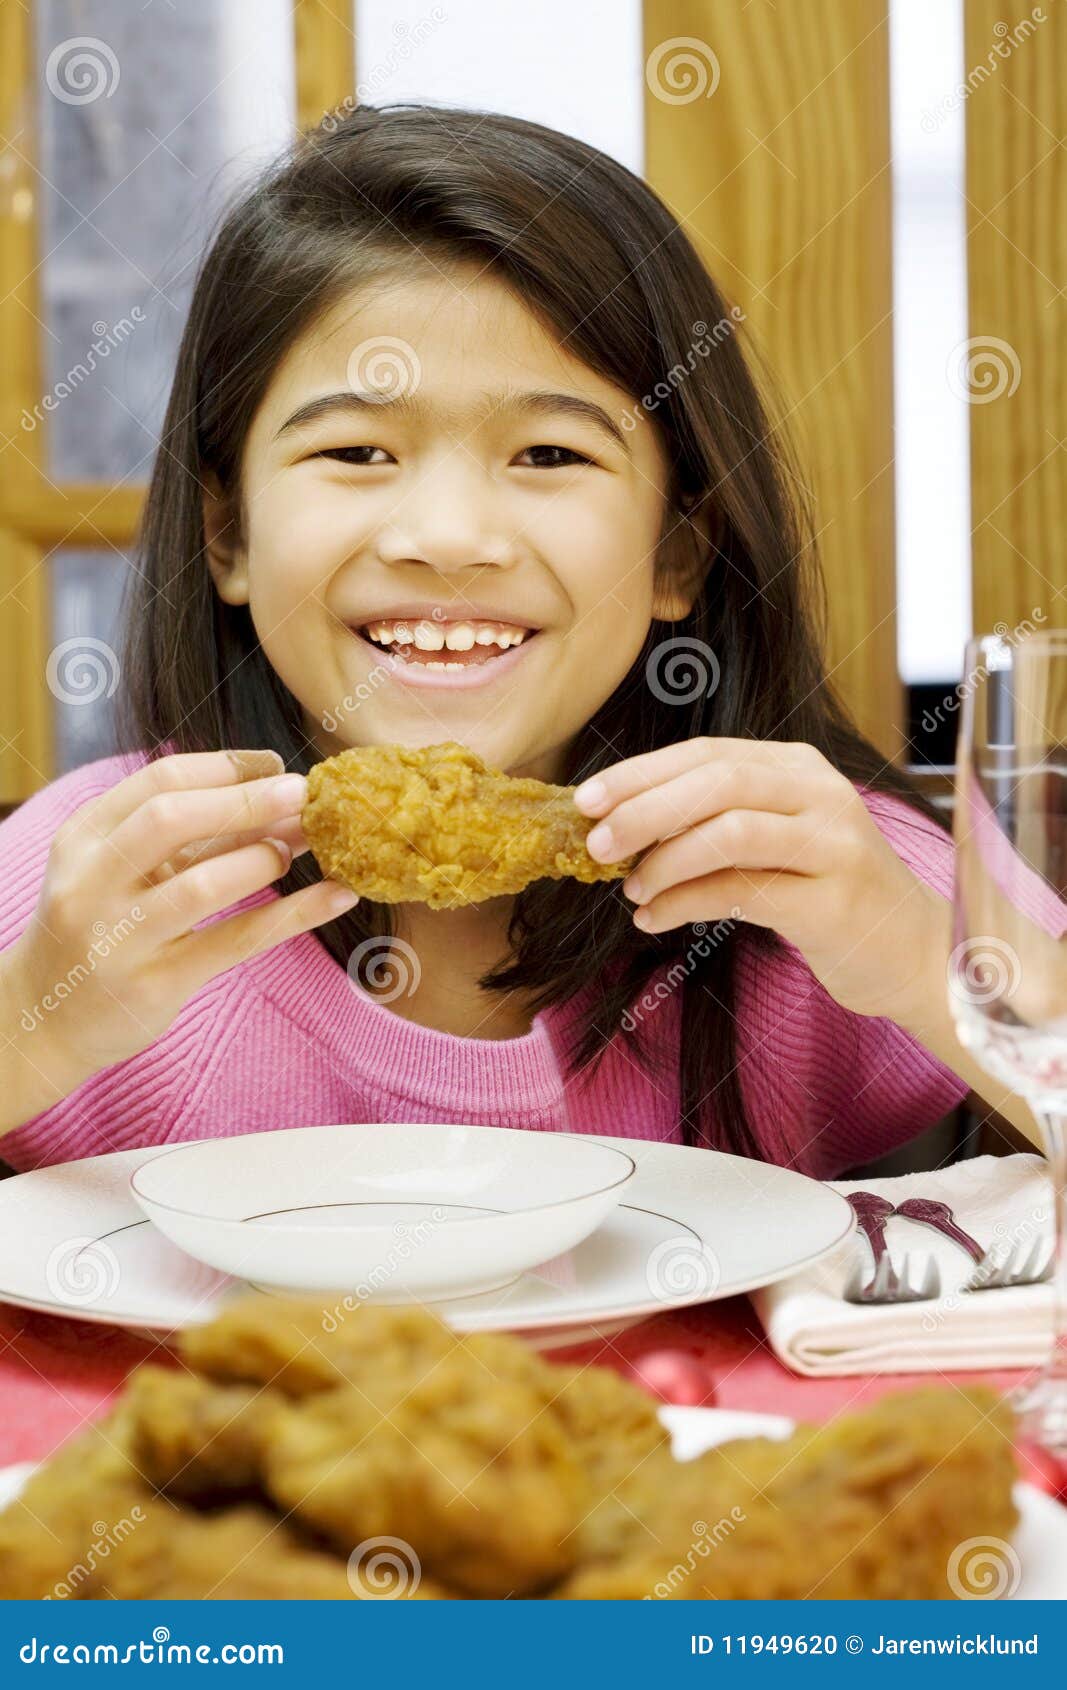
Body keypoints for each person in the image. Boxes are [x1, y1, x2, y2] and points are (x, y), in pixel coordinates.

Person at [0, 103, 1032, 1174]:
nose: (449, 539)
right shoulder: (85, 883)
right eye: (356, 450)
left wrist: (921, 961)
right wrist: (35, 1023)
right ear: (230, 536)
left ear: (676, 553)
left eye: (547, 455)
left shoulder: (822, 874)